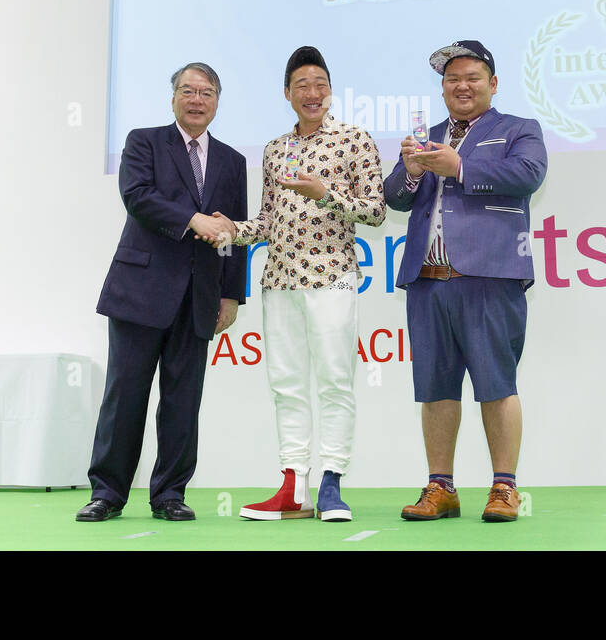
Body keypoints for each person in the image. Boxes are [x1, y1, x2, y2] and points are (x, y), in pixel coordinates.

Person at [202, 46, 385, 522]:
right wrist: (231, 229)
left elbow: (375, 211)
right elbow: (268, 220)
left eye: (320, 84)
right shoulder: (275, 149)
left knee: (335, 381)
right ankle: (292, 486)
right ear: (287, 93)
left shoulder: (354, 139)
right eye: (302, 85)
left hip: (333, 277)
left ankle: (331, 484)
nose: (312, 92)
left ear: (331, 91)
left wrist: (326, 194)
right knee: (286, 384)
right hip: (280, 279)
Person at [382, 41, 547, 522]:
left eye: (472, 77)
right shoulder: (426, 136)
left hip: (489, 276)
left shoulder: (519, 129)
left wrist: (460, 166)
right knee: (435, 388)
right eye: (452, 79)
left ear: (493, 84)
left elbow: (529, 173)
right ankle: (441, 487)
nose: (462, 86)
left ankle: (504, 487)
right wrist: (412, 172)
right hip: (428, 278)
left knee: (497, 384)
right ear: (442, 89)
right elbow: (394, 196)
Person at [76, 63, 247, 523]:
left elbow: (234, 232)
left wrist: (231, 295)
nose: (197, 100)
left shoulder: (233, 161)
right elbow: (137, 196)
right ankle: (107, 493)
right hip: (140, 291)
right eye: (188, 91)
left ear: (217, 101)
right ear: (173, 98)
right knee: (125, 396)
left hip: (199, 297)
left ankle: (170, 493)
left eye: (206, 92)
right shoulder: (143, 142)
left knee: (182, 401)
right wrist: (192, 220)